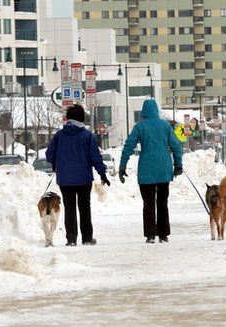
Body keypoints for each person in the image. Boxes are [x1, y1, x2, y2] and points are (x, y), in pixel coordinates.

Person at [119, 99, 183, 244]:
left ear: (144, 112)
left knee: (148, 204)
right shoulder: (165, 126)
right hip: (164, 169)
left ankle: (150, 234)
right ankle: (163, 234)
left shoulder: (140, 127)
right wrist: (178, 164)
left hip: (146, 170)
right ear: (156, 111)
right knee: (162, 203)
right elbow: (176, 145)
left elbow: (128, 146)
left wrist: (122, 166)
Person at [45, 104, 110, 246]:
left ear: (68, 118)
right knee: (84, 207)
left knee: (69, 208)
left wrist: (57, 161)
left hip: (65, 179)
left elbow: (49, 155)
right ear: (81, 119)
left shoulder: (59, 136)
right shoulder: (87, 136)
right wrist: (102, 174)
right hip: (83, 178)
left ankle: (71, 239)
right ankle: (87, 238)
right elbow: (95, 157)